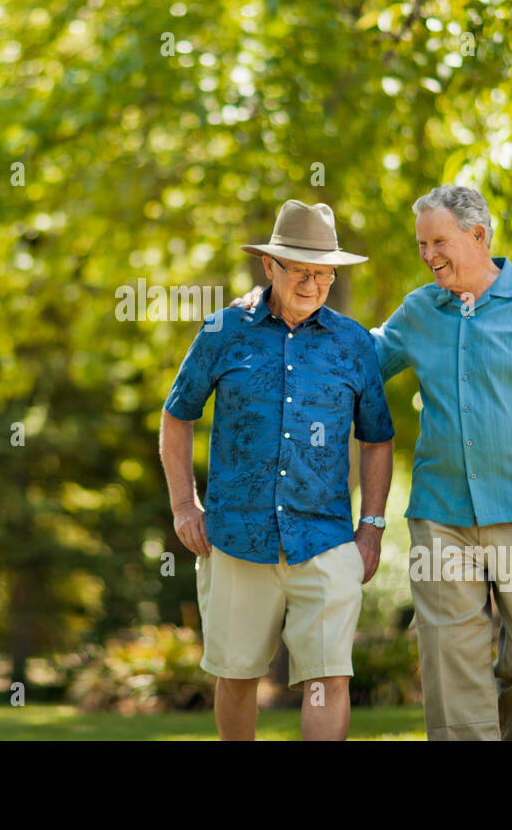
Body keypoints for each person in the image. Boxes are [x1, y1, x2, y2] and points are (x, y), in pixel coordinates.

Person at [370, 184, 512, 740]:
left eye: (438, 241)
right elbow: (361, 360)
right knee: (453, 666)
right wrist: (291, 315)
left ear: (478, 235)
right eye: (422, 244)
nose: (428, 256)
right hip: (442, 516)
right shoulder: (419, 310)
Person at [159, 200, 395, 741]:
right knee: (237, 675)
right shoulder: (223, 330)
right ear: (270, 266)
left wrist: (372, 527)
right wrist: (183, 505)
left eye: (324, 273)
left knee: (327, 677)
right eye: (300, 270)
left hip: (327, 538)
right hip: (238, 535)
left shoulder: (355, 343)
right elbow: (177, 417)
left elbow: (377, 439)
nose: (313, 284)